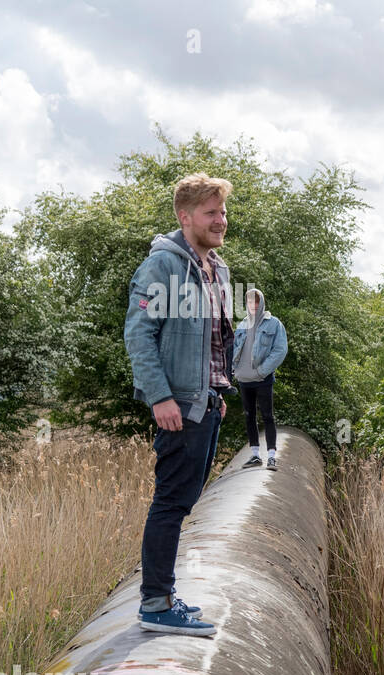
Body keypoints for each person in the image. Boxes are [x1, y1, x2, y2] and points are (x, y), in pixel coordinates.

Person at [123, 173, 236, 638]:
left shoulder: (217, 269)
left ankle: (165, 594)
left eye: (223, 212)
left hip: (205, 403)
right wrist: (160, 397)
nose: (221, 220)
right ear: (184, 216)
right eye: (211, 213)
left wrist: (219, 390)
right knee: (170, 502)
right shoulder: (163, 267)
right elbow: (139, 334)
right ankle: (155, 603)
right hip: (177, 406)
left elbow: (213, 341)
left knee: (183, 501)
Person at [233, 288, 288, 470]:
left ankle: (271, 456)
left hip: (262, 379)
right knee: (249, 416)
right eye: (249, 302)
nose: (253, 305)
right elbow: (233, 349)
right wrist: (235, 370)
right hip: (244, 380)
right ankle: (255, 455)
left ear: (261, 303)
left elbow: (280, 350)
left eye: (256, 302)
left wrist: (262, 371)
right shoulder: (241, 325)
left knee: (268, 416)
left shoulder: (274, 324)